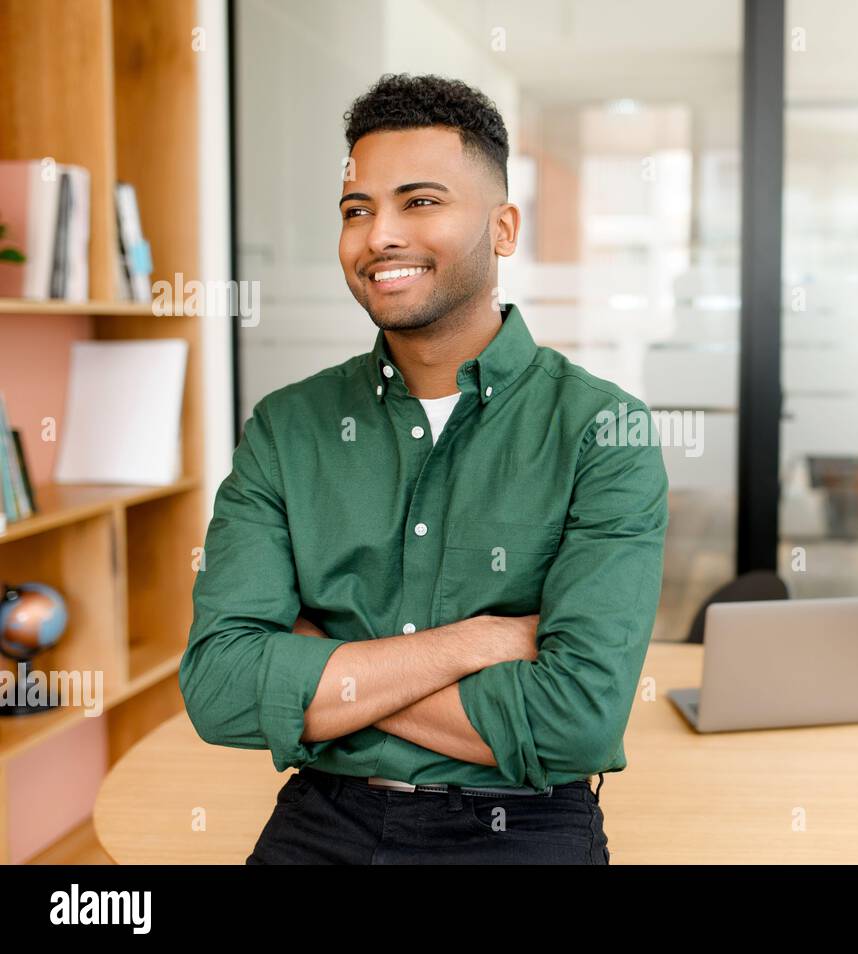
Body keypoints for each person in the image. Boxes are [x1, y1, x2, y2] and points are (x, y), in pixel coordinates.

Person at [179, 73, 669, 864]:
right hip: (325, 816)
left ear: (503, 228)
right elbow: (220, 689)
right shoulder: (286, 427)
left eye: (420, 202)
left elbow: (577, 717)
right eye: (357, 210)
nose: (379, 237)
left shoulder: (601, 431)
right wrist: (476, 642)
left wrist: (320, 663)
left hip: (524, 820)